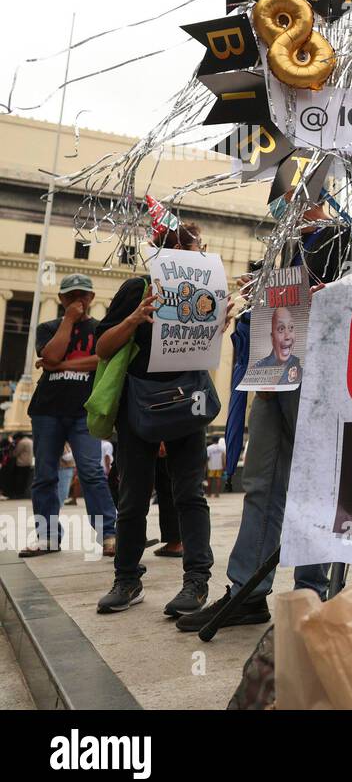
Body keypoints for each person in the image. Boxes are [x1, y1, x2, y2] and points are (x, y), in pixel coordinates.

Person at [177, 200, 350, 634]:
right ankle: (247, 592)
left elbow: (348, 291)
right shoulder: (281, 245)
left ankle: (312, 593)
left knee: (312, 483)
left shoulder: (340, 234)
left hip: (317, 369)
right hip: (274, 365)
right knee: (261, 481)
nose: (285, 200)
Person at [95, 222, 217, 618]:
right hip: (141, 406)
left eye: (193, 247)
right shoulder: (137, 289)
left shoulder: (208, 290)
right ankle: (127, 578)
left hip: (189, 403)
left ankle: (196, 581)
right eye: (177, 247)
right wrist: (134, 318)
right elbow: (103, 347)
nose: (187, 253)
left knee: (190, 495)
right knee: (132, 499)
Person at [20, 274, 117, 559]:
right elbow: (48, 355)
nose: (78, 300)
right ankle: (47, 536)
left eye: (83, 295)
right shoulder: (47, 327)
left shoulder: (100, 329)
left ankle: (109, 533)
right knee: (45, 475)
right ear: (61, 299)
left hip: (83, 412)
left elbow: (101, 360)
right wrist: (67, 322)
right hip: (47, 410)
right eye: (71, 295)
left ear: (91, 298)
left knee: (92, 472)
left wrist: (57, 365)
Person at [251, 306, 301, 386]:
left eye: (291, 327)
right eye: (281, 329)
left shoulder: (301, 367)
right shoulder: (258, 368)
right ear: (272, 337)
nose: (287, 337)